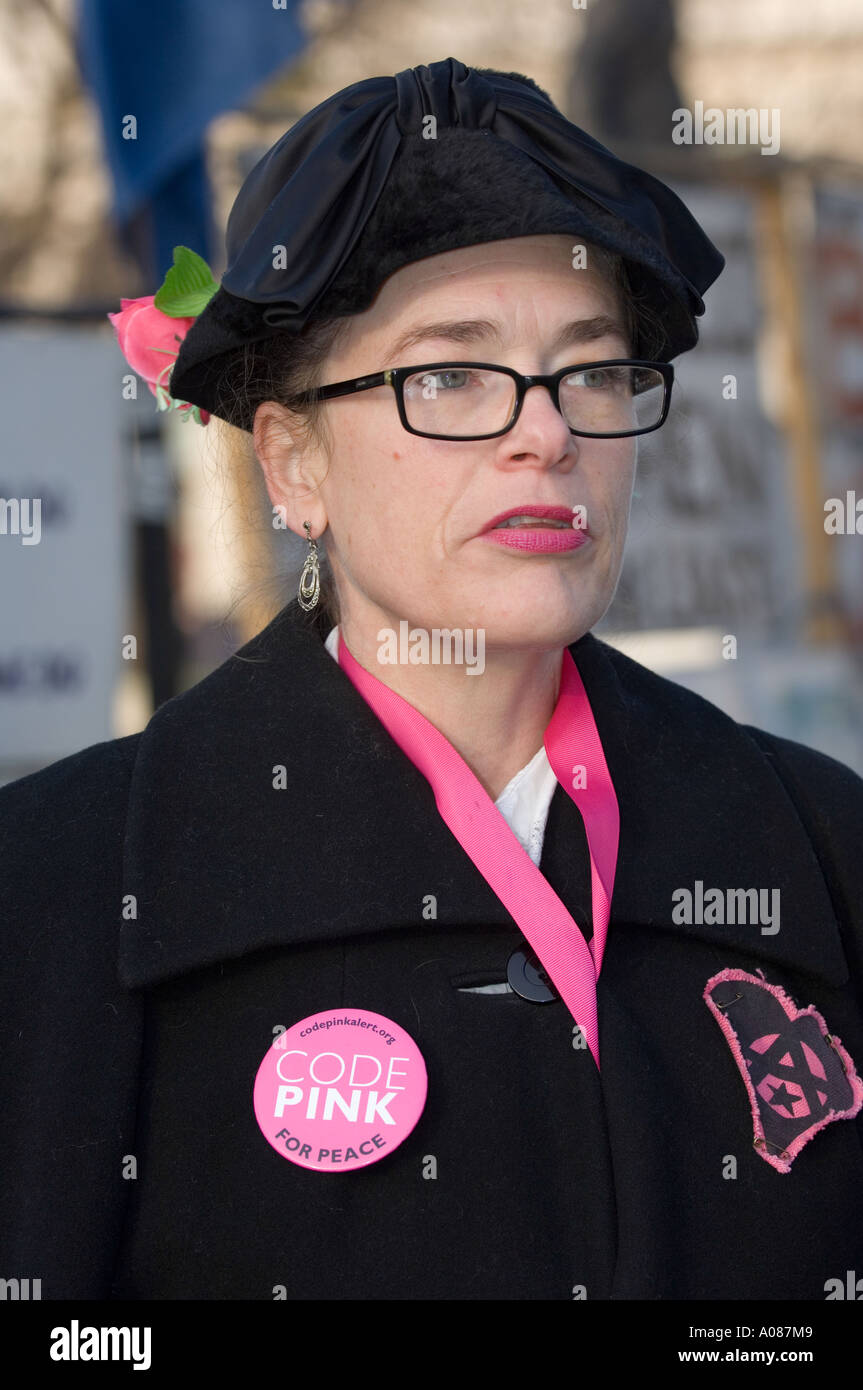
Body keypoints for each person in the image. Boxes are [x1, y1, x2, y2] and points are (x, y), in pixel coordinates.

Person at [1, 57, 862, 1303]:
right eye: (448, 374)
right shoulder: (64, 895)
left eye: (589, 369)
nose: (546, 431)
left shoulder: (818, 848)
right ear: (292, 464)